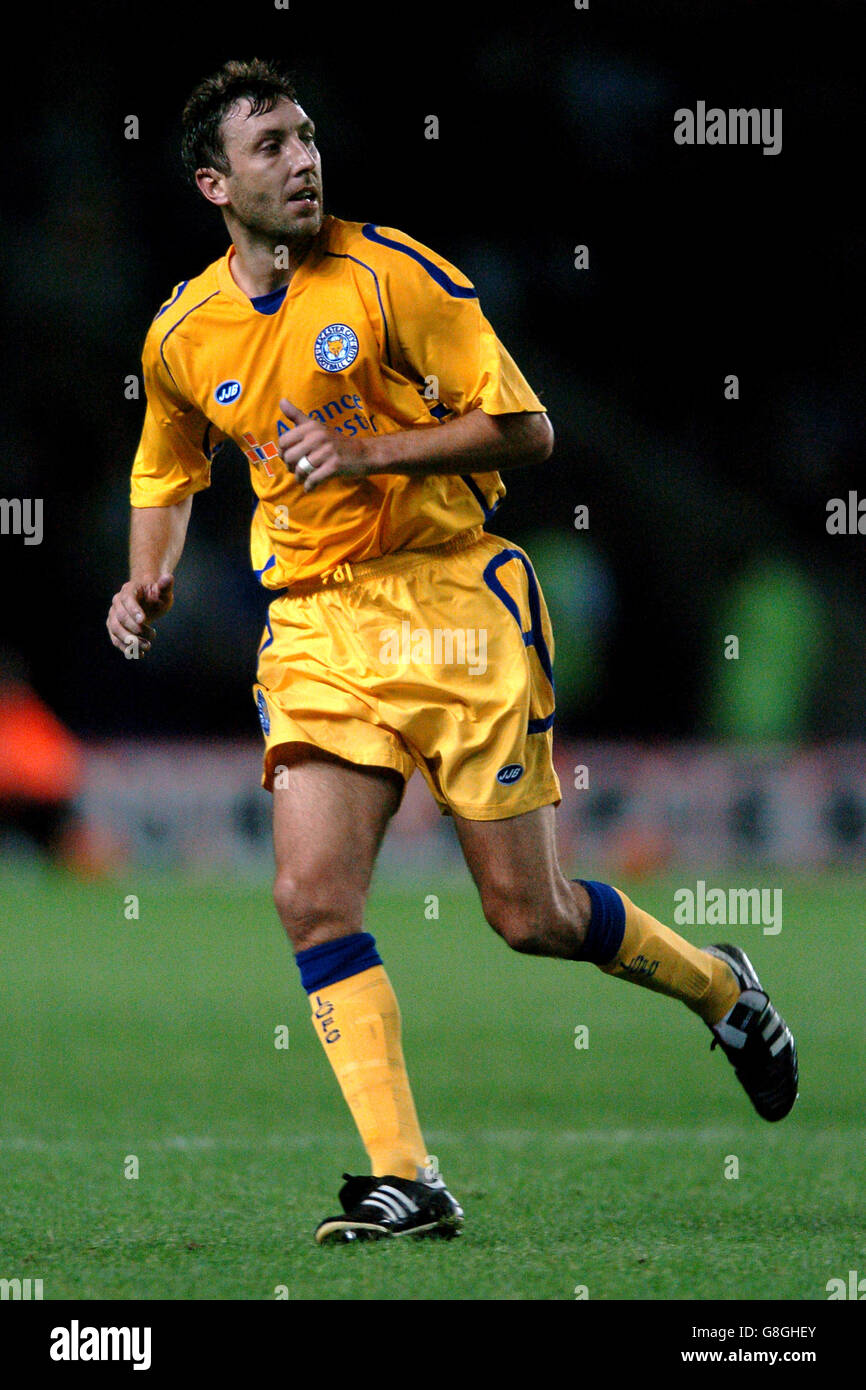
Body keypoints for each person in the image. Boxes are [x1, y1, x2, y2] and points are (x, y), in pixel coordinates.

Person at [106, 58, 798, 1246]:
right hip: (316, 626)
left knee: (525, 915)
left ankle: (719, 985)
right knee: (310, 899)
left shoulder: (392, 276)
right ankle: (407, 1178)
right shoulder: (182, 331)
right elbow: (167, 465)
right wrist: (147, 571)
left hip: (450, 605)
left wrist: (371, 455)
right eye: (270, 144)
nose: (303, 158)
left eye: (307, 134)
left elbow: (525, 427)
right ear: (216, 183)